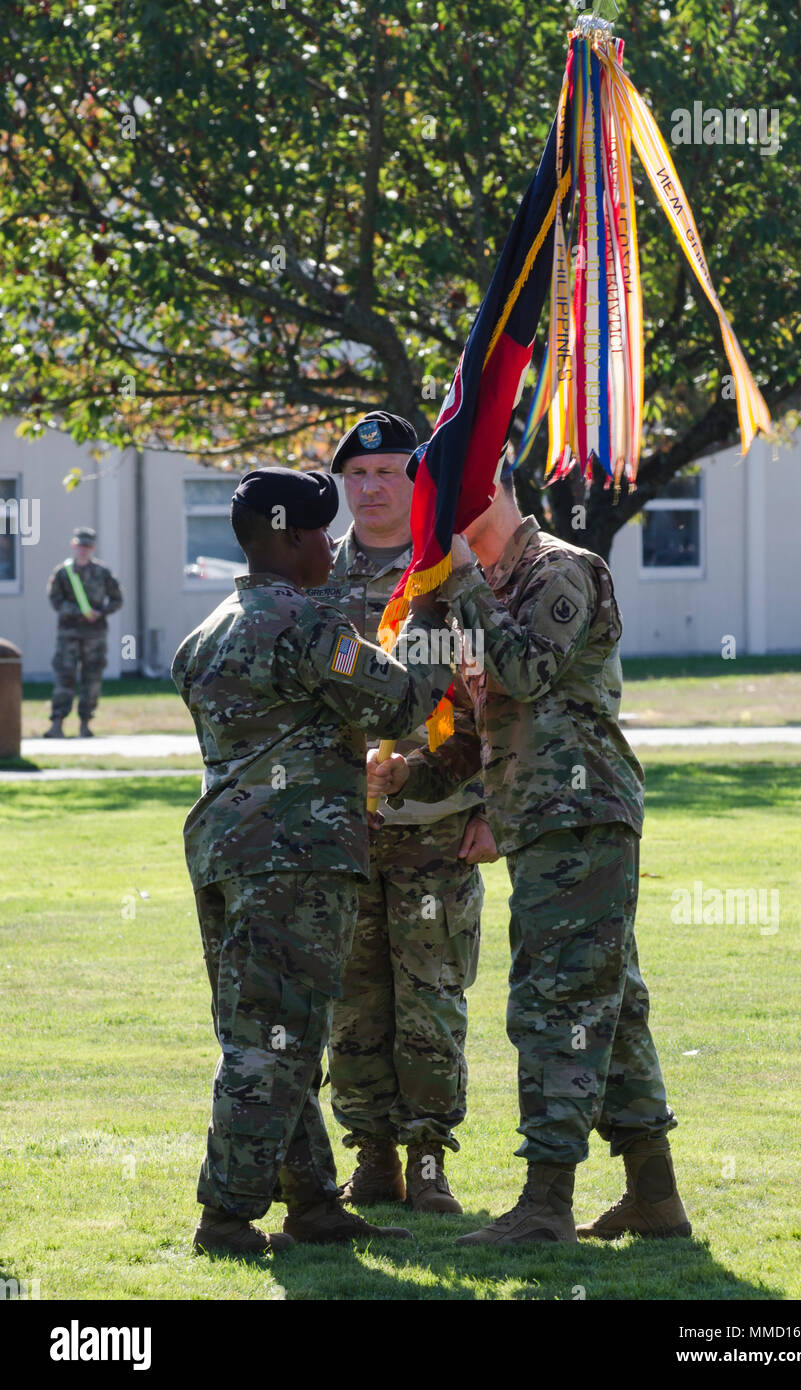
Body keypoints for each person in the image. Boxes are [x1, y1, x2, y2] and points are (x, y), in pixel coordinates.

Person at [368, 473, 690, 1246]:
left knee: (555, 1005)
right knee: (614, 1007)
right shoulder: (486, 589)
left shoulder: (558, 569)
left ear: (484, 486)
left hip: (581, 815)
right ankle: (655, 1198)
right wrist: (413, 772)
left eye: (440, 503)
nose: (429, 523)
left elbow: (523, 672)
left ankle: (545, 1204)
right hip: (540, 824)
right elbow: (484, 722)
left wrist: (467, 583)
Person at [171, 466, 459, 1256]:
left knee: (272, 1030)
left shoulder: (206, 635)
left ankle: (314, 1205)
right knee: (273, 1041)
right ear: (292, 537)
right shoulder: (307, 630)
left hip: (225, 854)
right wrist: (430, 611)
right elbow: (401, 703)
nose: (332, 549)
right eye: (320, 534)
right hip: (295, 859)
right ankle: (226, 1216)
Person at [310, 411, 495, 1216]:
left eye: (390, 472)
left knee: (432, 990)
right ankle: (372, 1157)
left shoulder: (449, 571)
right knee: (352, 998)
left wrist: (486, 803)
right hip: (343, 826)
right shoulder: (310, 575)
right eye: (357, 474)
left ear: (417, 481)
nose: (373, 487)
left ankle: (429, 1160)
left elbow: (495, 696)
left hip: (438, 817)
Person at [45, 526, 123, 738]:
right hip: (68, 633)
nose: (83, 550)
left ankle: (85, 724)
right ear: (73, 545)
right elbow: (55, 600)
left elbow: (117, 599)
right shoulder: (63, 572)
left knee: (92, 678)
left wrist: (101, 612)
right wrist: (80, 611)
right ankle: (57, 723)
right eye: (80, 545)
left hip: (94, 634)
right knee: (64, 675)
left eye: (87, 546)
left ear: (93, 548)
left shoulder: (102, 572)